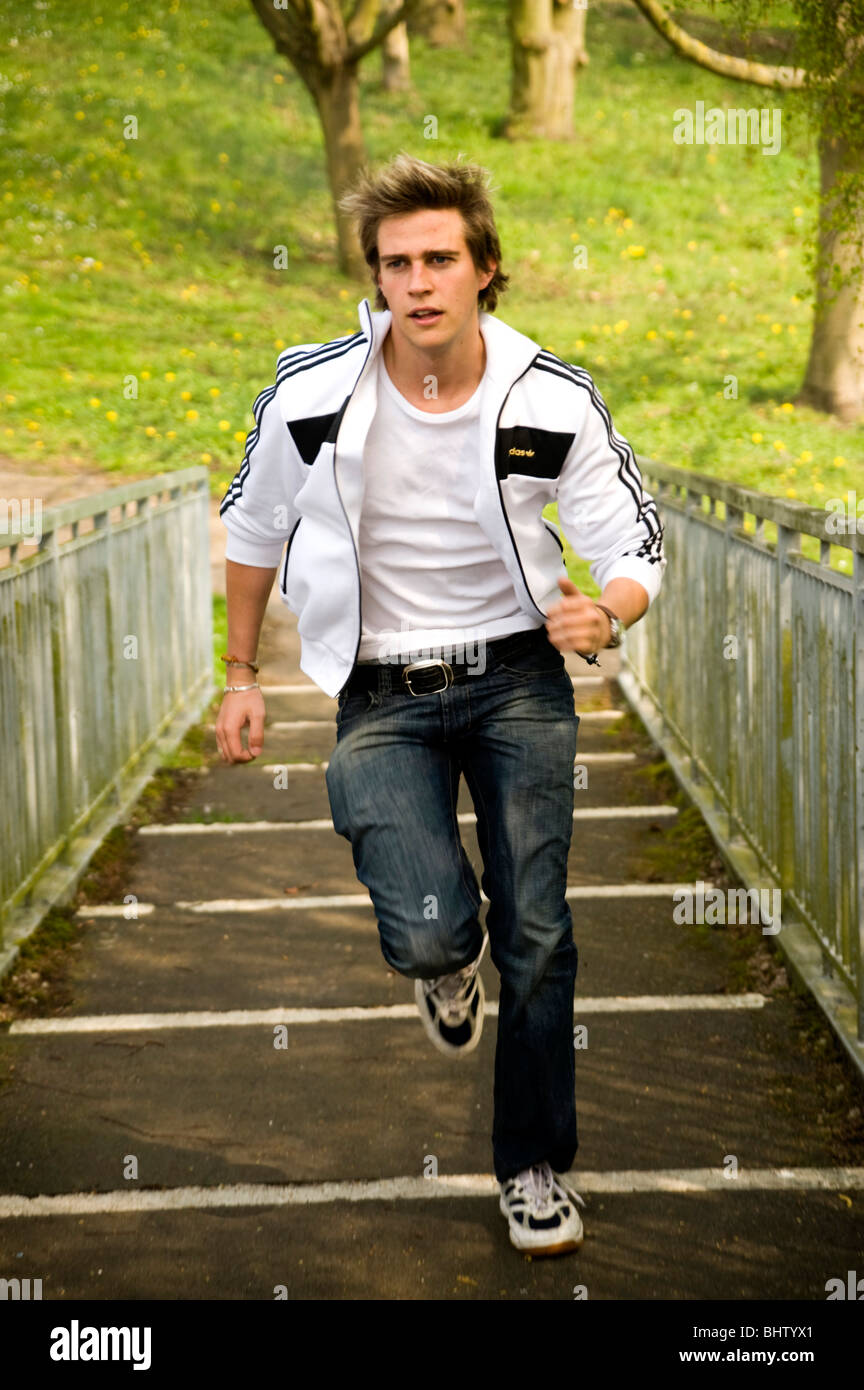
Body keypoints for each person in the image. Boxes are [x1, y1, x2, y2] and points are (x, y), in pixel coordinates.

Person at [216, 152, 666, 1257]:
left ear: (486, 268)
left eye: (439, 259)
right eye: (395, 264)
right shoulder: (313, 391)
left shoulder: (548, 396)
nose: (416, 283)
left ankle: (533, 1167)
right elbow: (251, 527)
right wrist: (237, 676)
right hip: (380, 690)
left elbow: (632, 539)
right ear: (375, 279)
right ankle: (444, 959)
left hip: (518, 679)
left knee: (543, 936)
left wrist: (609, 610)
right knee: (428, 931)